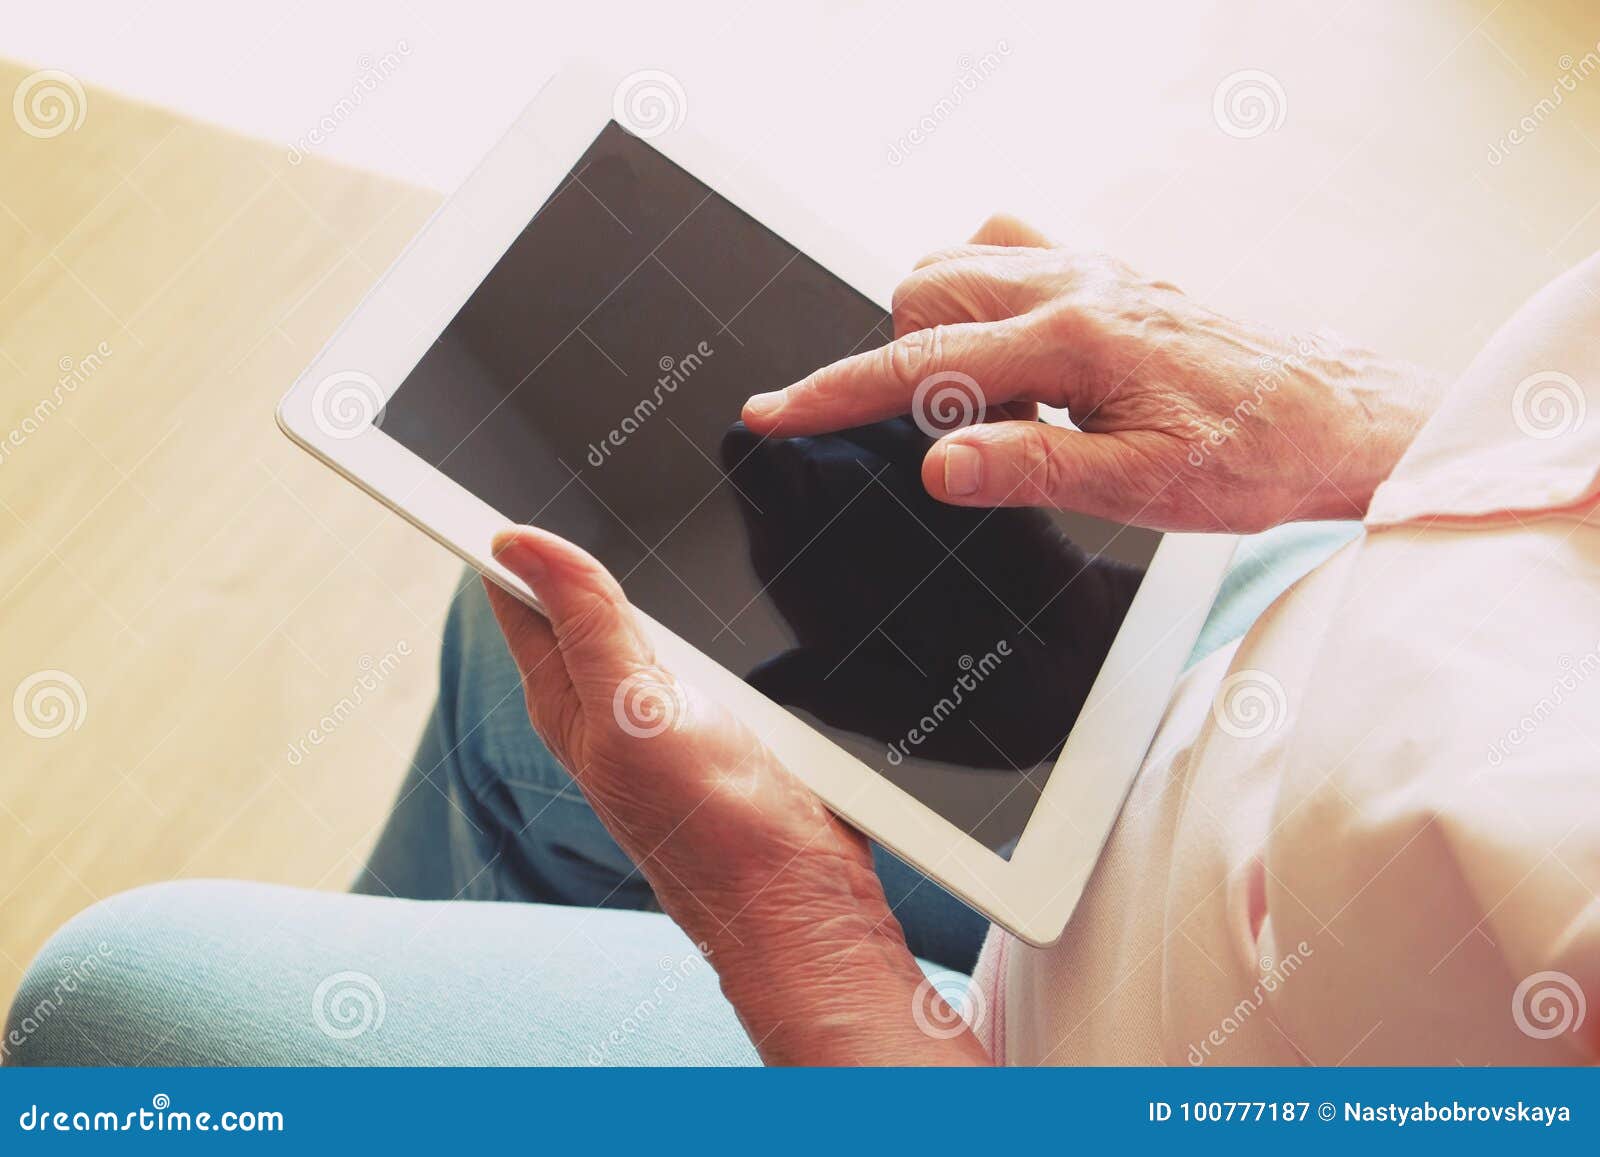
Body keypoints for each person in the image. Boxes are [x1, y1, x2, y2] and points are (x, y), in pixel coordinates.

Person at [7, 218, 1596, 1066]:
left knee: (120, 1010)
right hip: (1362, 616)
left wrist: (795, 934)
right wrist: (1422, 434)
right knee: (534, 656)